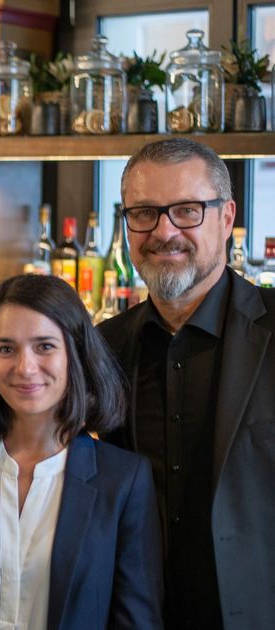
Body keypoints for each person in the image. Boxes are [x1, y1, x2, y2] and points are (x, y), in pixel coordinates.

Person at [0, 273, 163, 629]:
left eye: (45, 346)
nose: (25, 367)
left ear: (75, 353)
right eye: (6, 348)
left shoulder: (123, 481)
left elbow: (137, 622)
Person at [98, 137, 275, 629]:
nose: (164, 231)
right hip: (137, 613)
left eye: (186, 210)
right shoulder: (102, 347)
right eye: (144, 213)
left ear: (226, 217)